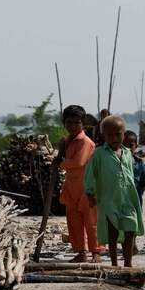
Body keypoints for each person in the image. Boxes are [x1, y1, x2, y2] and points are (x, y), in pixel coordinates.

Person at [84, 116, 144, 267]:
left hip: (128, 199)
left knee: (131, 230)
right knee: (113, 232)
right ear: (104, 135)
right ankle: (114, 264)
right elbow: (89, 173)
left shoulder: (128, 153)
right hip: (109, 200)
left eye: (118, 134)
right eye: (110, 135)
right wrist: (90, 193)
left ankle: (128, 264)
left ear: (124, 133)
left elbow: (130, 174)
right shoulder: (99, 154)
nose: (114, 138)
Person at [52, 105, 101, 263]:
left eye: (76, 123)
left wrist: (60, 163)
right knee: (74, 222)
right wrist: (60, 154)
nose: (72, 126)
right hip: (72, 187)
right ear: (64, 123)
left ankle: (96, 252)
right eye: (69, 122)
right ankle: (81, 251)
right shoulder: (67, 141)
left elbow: (78, 162)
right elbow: (65, 159)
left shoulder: (85, 142)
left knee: (91, 222)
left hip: (88, 188)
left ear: (83, 123)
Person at [122, 131, 145, 206]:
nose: (127, 149)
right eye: (124, 146)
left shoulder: (139, 163)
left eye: (130, 146)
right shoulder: (116, 162)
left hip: (136, 196)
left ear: (136, 146)